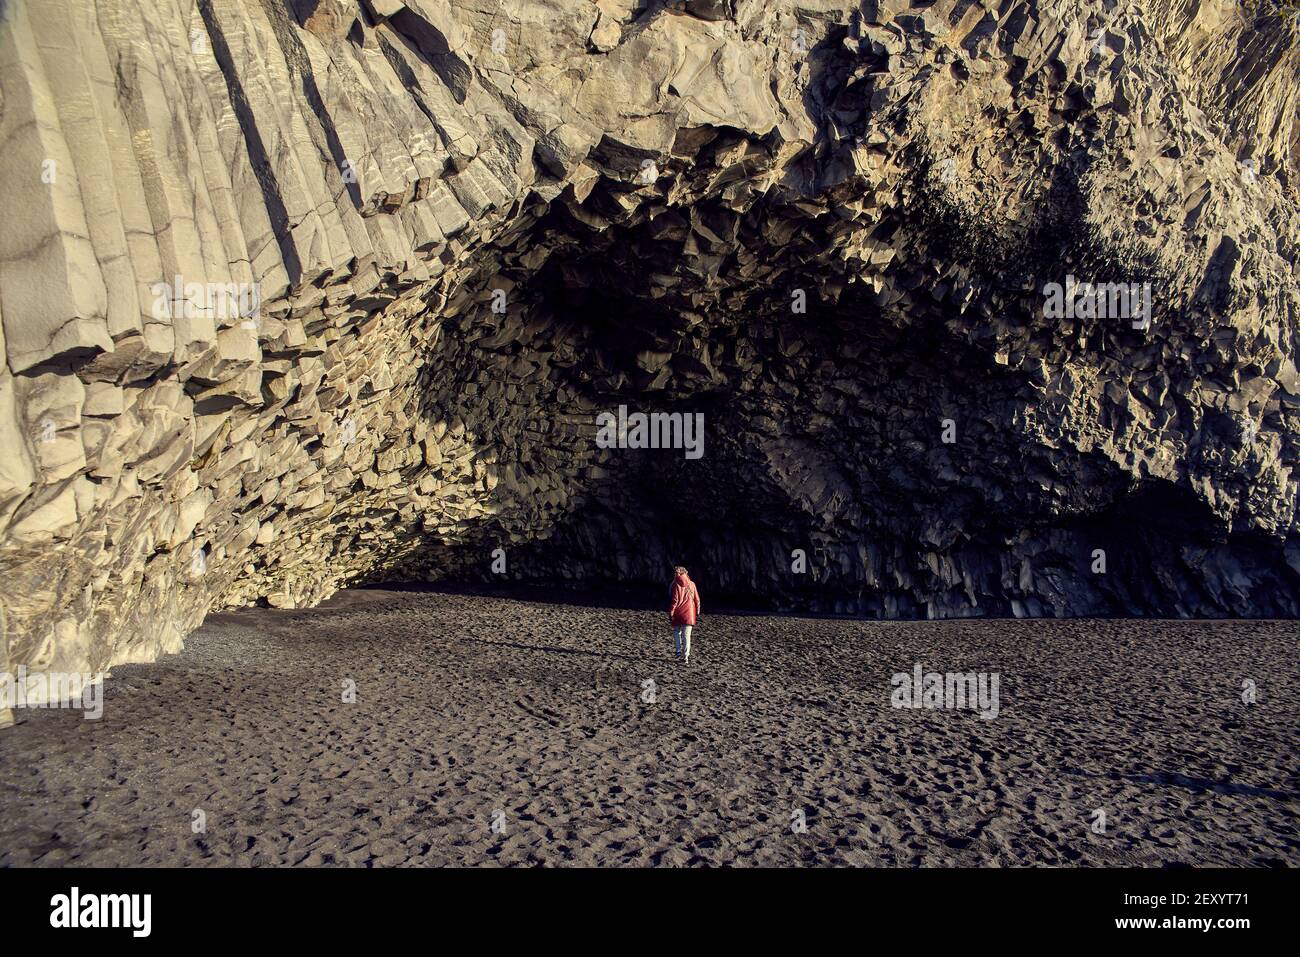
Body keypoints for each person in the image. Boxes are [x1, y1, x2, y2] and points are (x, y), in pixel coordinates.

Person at [668, 566, 701, 663]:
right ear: (686, 573)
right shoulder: (692, 584)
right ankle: (686, 657)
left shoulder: (675, 584)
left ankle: (678, 651)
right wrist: (697, 611)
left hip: (678, 613)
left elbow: (675, 600)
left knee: (677, 632)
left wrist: (671, 612)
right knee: (687, 636)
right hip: (689, 613)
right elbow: (697, 599)